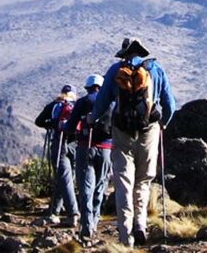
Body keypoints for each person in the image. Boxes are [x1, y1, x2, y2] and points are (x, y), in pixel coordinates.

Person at [89, 38, 176, 247]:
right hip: (149, 130)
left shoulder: (115, 70)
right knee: (143, 181)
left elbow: (102, 103)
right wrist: (163, 123)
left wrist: (92, 119)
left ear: (124, 54)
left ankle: (125, 236)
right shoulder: (155, 69)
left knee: (123, 183)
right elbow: (170, 105)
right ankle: (140, 224)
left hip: (122, 132)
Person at [65, 73, 113, 243]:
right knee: (101, 186)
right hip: (107, 149)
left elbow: (70, 127)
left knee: (86, 188)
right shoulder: (111, 102)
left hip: (86, 148)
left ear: (88, 87)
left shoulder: (83, 102)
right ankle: (95, 219)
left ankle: (86, 228)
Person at [34, 83, 79, 227]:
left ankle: (73, 213)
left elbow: (39, 121)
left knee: (64, 178)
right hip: (76, 145)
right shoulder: (78, 104)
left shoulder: (54, 105)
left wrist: (52, 124)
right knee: (67, 177)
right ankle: (55, 211)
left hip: (59, 144)